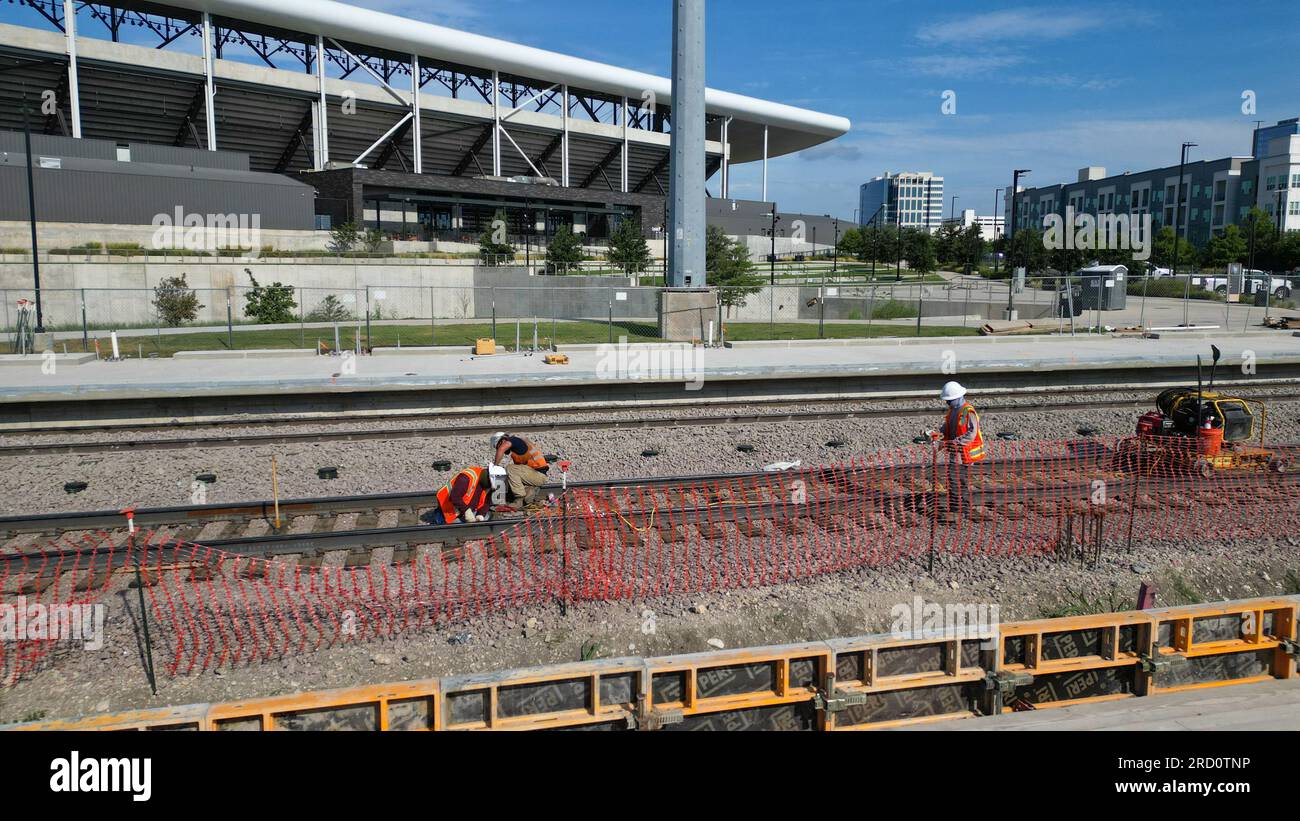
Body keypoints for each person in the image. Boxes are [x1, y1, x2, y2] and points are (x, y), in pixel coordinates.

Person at [929, 381, 987, 520]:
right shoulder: (953, 410)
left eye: (949, 400)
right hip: (955, 452)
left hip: (964, 454)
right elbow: (947, 426)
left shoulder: (968, 411)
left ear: (958, 397)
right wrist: (937, 433)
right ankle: (957, 508)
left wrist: (957, 442)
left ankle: (960, 510)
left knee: (958, 481)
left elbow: (972, 433)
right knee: (953, 480)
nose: (947, 403)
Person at [433, 464, 506, 525]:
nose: (490, 487)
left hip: (467, 510)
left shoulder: (488, 484)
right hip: (448, 509)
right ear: (488, 477)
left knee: (486, 518)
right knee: (454, 526)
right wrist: (466, 511)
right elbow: (455, 497)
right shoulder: (466, 477)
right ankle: (439, 517)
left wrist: (481, 514)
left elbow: (487, 502)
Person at [491, 432, 550, 506]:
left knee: (510, 468)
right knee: (511, 475)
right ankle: (529, 492)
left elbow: (502, 448)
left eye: (497, 446)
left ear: (501, 441)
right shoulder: (518, 447)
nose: (498, 448)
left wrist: (494, 466)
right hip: (535, 475)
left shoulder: (513, 440)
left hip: (539, 475)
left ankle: (519, 500)